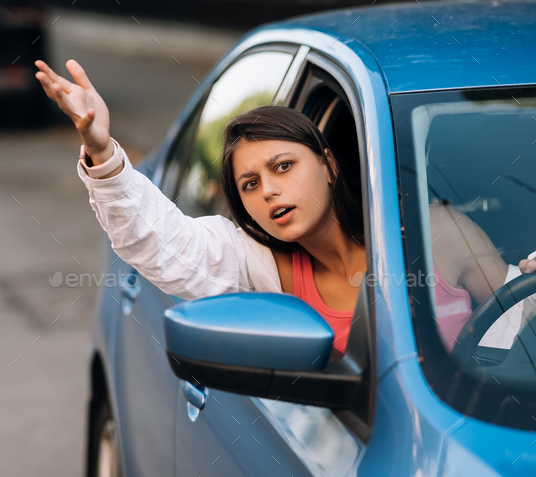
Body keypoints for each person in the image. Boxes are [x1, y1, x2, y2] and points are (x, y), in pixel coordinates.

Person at [35, 58, 536, 359]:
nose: (268, 191)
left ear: (329, 165)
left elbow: (516, 327)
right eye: (249, 184)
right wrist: (103, 152)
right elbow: (162, 244)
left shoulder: (437, 232)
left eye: (282, 166)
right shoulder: (256, 265)